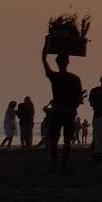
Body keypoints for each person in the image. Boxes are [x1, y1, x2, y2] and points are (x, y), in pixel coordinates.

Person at [42, 39, 84, 172]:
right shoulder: (75, 78)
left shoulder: (54, 76)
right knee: (67, 140)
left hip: (57, 111)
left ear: (57, 63)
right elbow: (78, 98)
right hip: (69, 111)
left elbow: (44, 60)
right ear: (68, 62)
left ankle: (54, 164)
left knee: (54, 140)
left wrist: (46, 44)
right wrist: (73, 108)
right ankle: (64, 165)